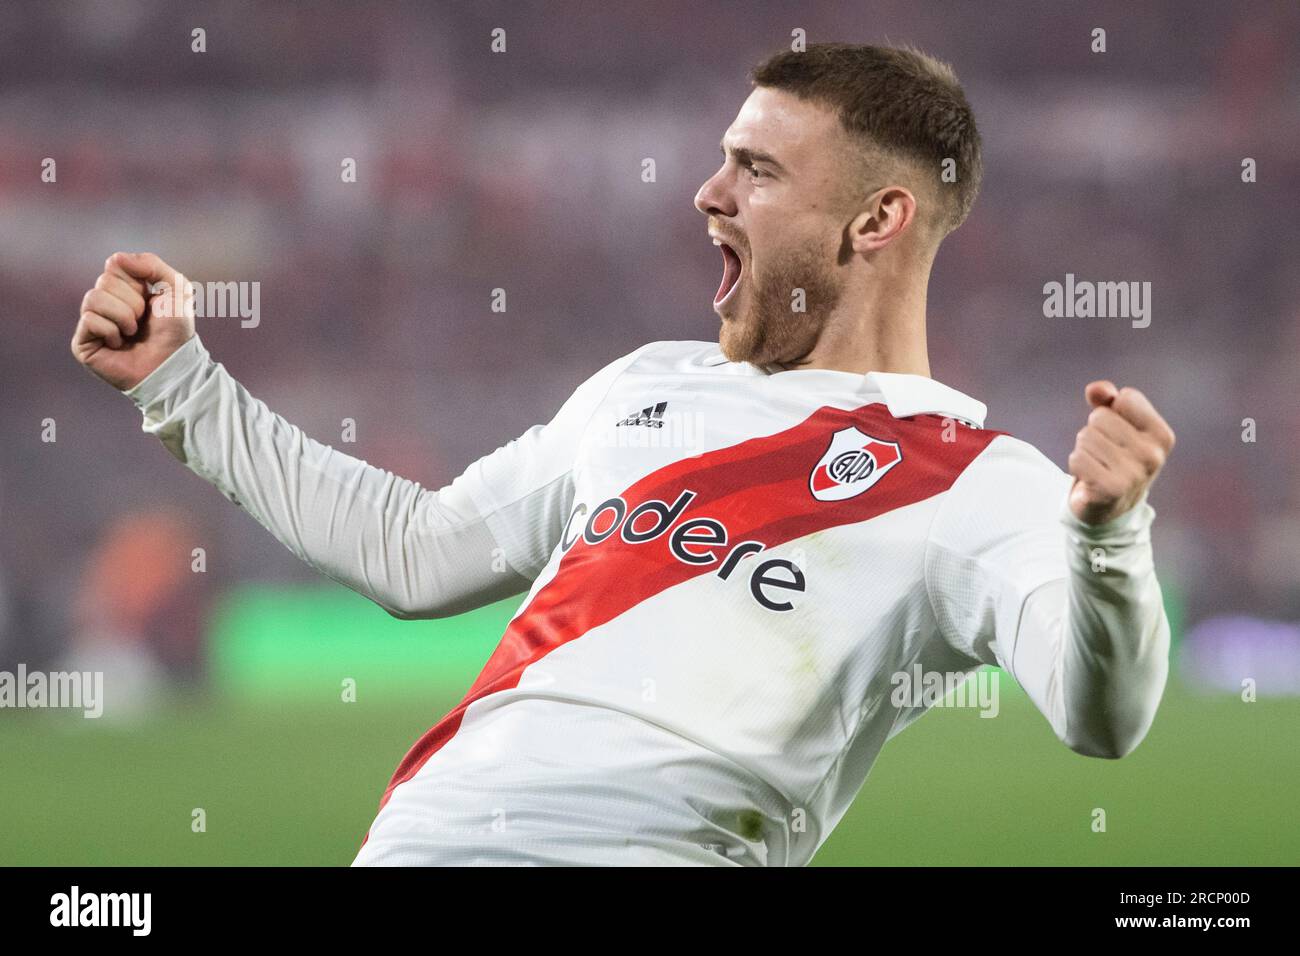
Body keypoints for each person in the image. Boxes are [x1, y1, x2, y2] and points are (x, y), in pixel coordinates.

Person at [71, 43, 1175, 866]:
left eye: (756, 170)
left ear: (876, 219)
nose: (709, 193)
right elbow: (414, 552)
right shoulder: (651, 383)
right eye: (720, 161)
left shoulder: (979, 482)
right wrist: (183, 385)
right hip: (419, 842)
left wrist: (1109, 540)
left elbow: (1102, 714)